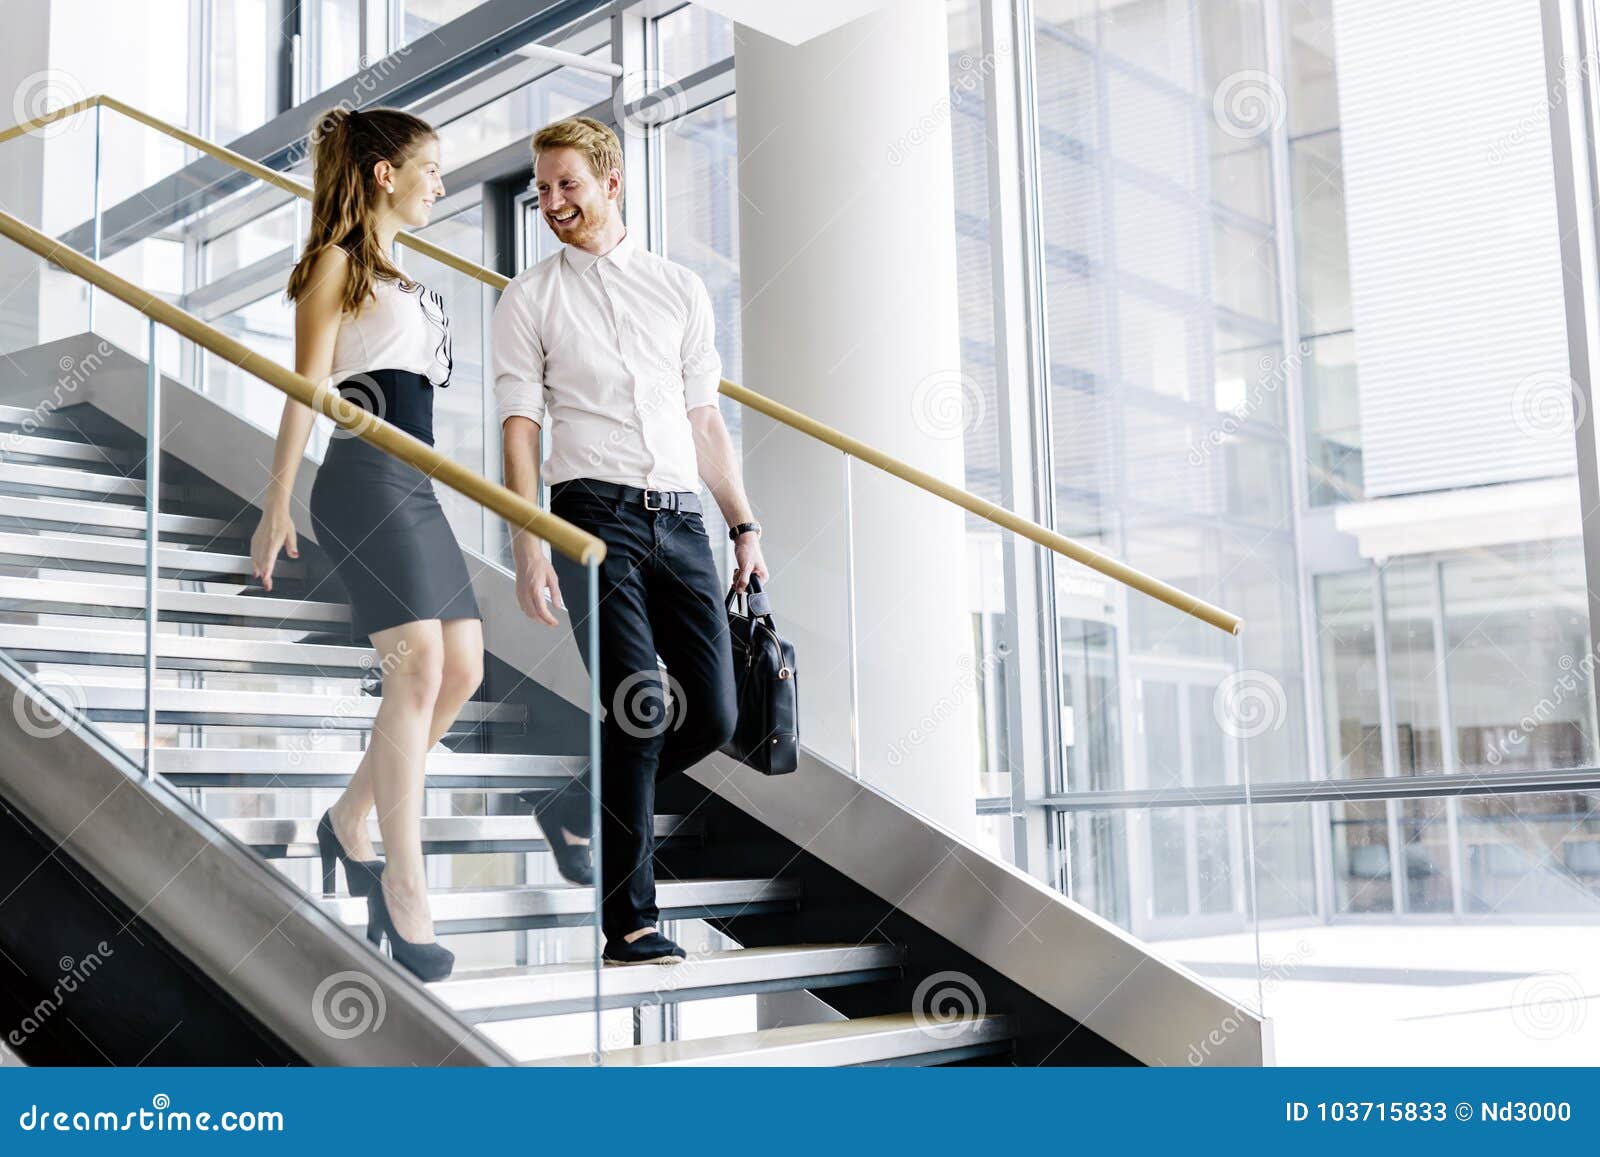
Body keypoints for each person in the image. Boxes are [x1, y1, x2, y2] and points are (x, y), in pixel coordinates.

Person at [492, 116, 767, 966]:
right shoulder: (529, 298)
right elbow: (518, 430)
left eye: (566, 184)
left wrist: (743, 524)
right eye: (541, 189)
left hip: (682, 516)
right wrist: (528, 541)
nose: (551, 203)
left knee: (715, 713)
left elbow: (704, 420)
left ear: (612, 183)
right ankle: (630, 921)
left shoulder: (681, 288)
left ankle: (575, 802)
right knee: (637, 706)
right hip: (588, 517)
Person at [250, 106, 481, 983]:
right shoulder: (335, 265)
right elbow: (302, 388)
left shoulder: (401, 271)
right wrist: (277, 503)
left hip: (414, 484)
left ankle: (349, 818)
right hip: (359, 479)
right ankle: (405, 889)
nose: (443, 183)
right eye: (432, 167)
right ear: (384, 173)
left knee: (462, 667)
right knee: (417, 665)